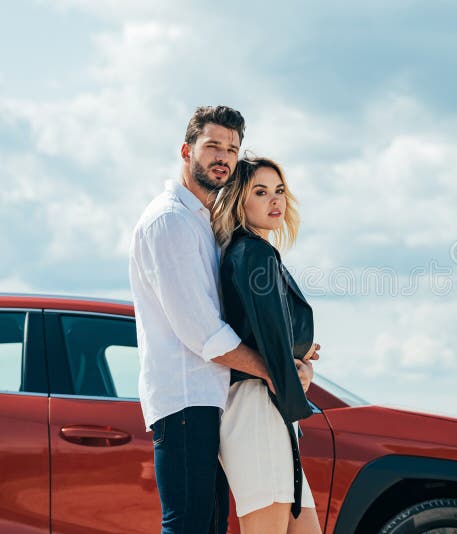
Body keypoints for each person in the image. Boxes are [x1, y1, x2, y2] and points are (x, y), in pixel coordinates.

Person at [129, 106, 290, 533]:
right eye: (213, 145)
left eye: (231, 149)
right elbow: (203, 332)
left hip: (207, 400)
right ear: (187, 150)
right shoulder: (171, 222)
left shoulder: (202, 223)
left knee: (209, 526)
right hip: (185, 401)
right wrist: (272, 369)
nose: (223, 156)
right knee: (189, 527)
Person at [212, 155, 322, 534]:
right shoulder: (253, 253)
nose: (275, 200)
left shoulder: (248, 253)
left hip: (268, 407)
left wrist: (298, 359)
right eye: (261, 192)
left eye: (279, 191)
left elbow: (273, 336)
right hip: (258, 408)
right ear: (240, 201)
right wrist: (297, 376)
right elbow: (274, 340)